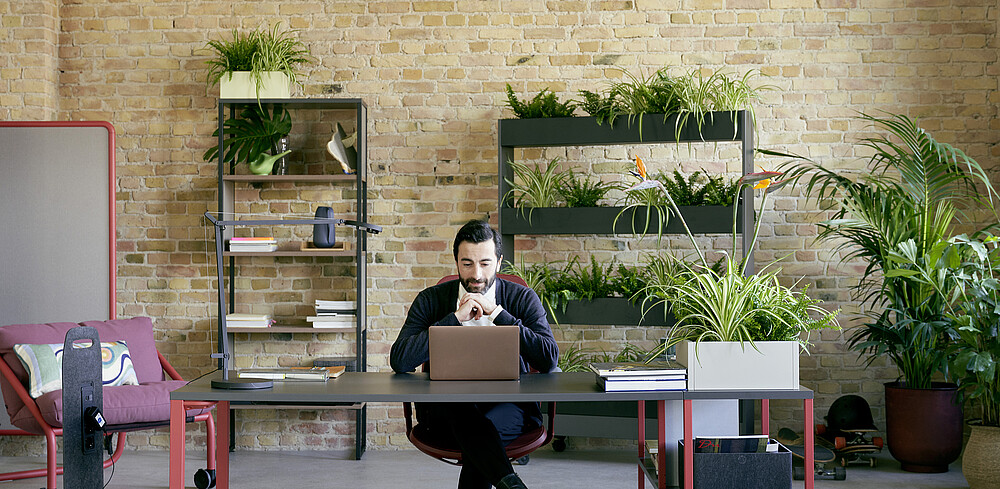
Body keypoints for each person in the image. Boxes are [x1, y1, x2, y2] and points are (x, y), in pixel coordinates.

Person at [390, 219, 559, 489]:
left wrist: (499, 314)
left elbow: (548, 358)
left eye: (485, 264)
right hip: (446, 409)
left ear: (499, 262)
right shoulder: (430, 299)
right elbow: (400, 359)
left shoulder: (522, 298)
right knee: (474, 426)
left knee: (480, 439)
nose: (476, 274)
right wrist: (454, 318)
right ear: (456, 262)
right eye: (467, 264)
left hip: (508, 406)